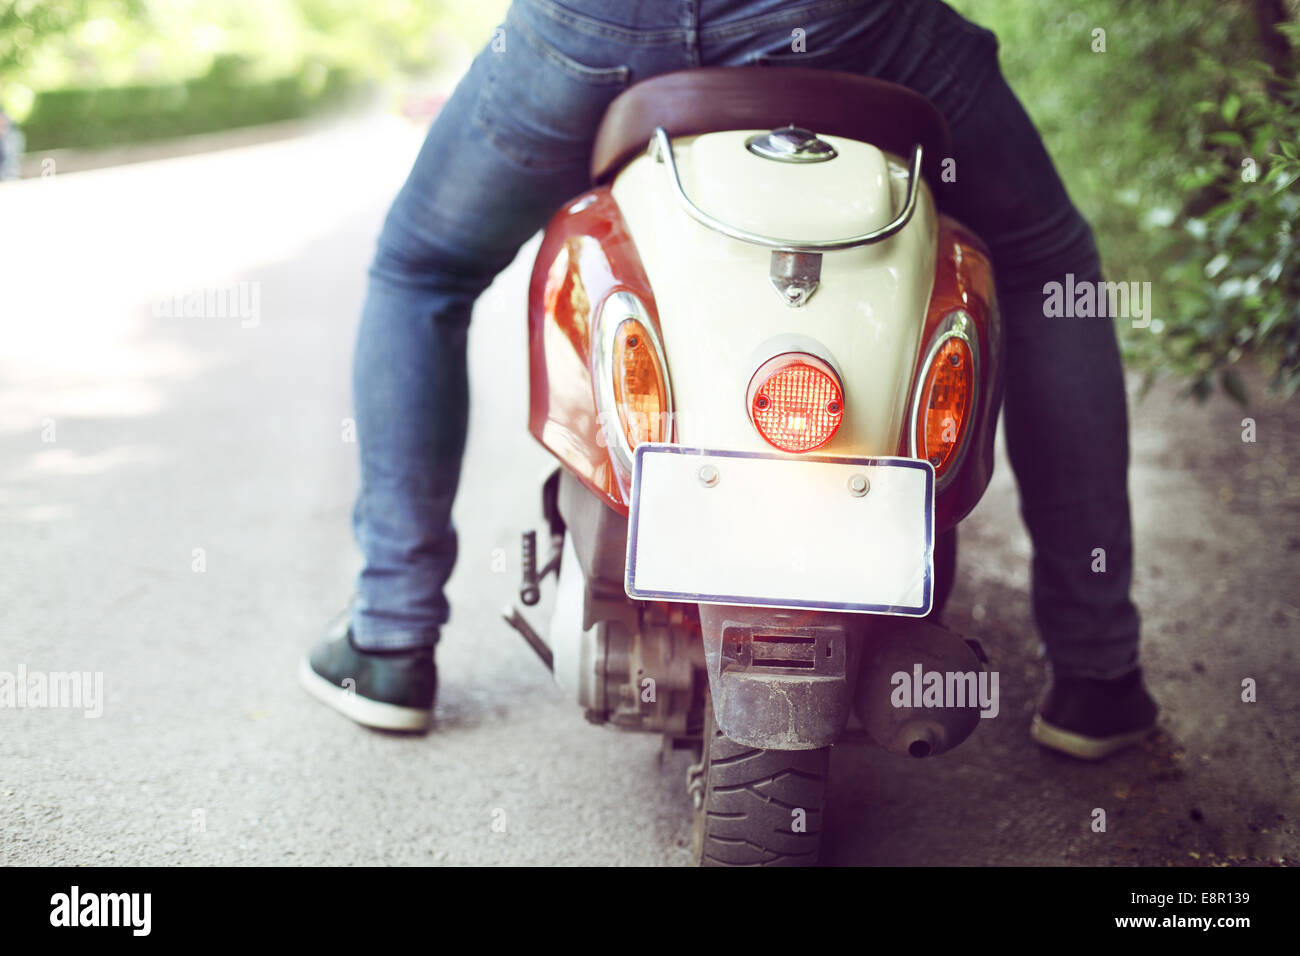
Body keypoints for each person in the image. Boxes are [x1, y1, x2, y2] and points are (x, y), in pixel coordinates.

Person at [299, 0, 1159, 759]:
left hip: (587, 29)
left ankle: (390, 638)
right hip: (847, 24)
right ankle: (1096, 671)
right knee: (1051, 266)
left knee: (424, 268)